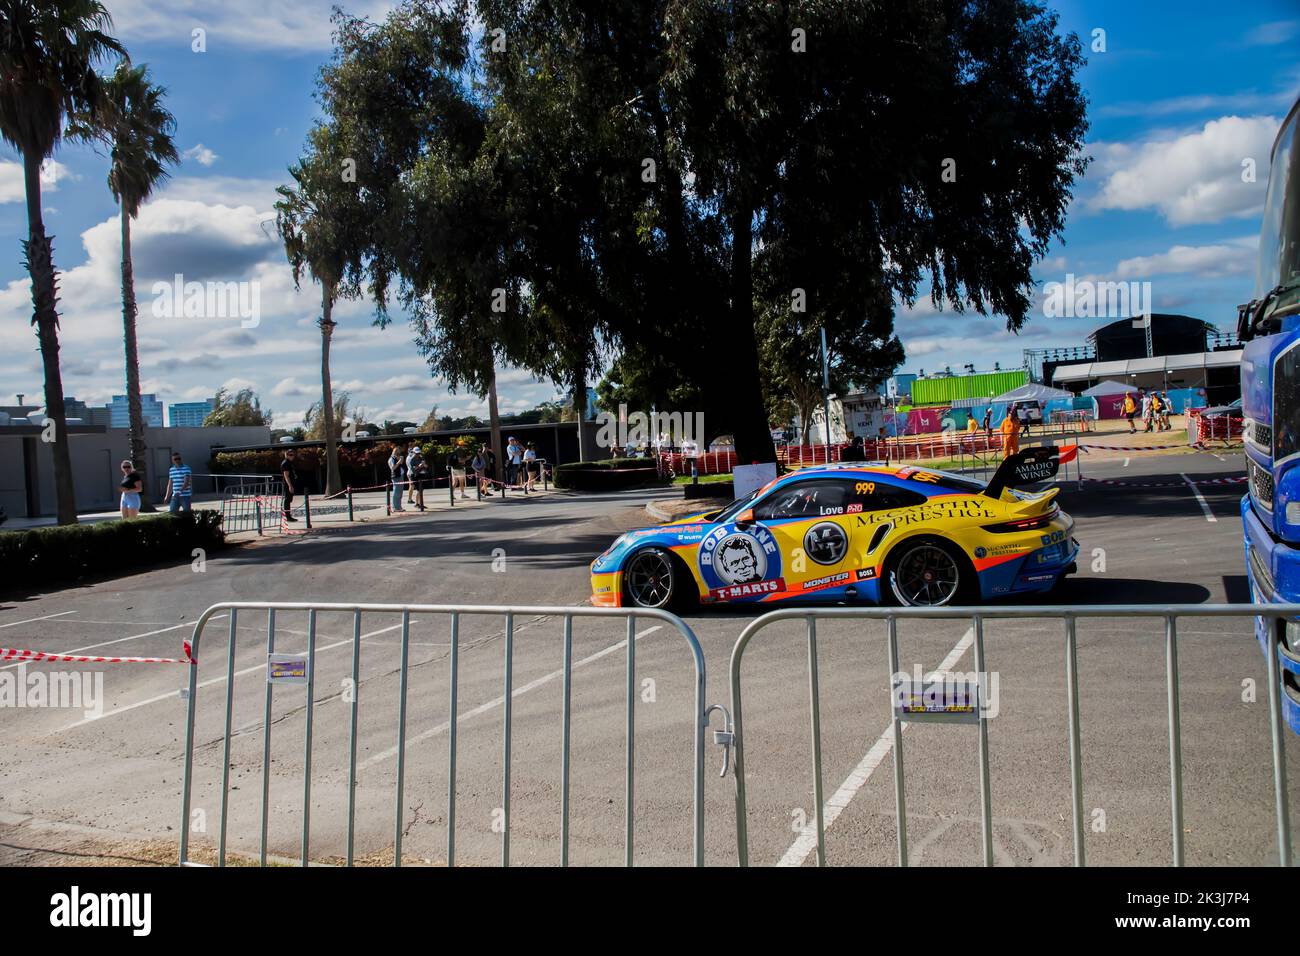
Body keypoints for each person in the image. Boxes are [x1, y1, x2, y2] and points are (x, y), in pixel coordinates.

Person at [280, 447, 299, 522]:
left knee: (289, 500)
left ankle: (289, 516)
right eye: (290, 455)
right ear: (286, 455)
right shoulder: (286, 463)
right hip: (287, 484)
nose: (292, 456)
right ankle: (288, 517)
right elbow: (286, 475)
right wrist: (290, 486)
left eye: (293, 455)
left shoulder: (289, 463)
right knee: (287, 500)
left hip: (291, 483)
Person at [388, 444, 406, 512]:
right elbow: (393, 468)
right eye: (397, 452)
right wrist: (399, 462)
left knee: (400, 492)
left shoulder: (396, 458)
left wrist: (401, 459)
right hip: (396, 477)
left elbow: (401, 463)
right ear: (394, 452)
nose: (398, 453)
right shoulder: (391, 459)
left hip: (400, 476)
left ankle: (399, 507)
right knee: (396, 492)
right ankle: (394, 507)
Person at [410, 446, 428, 510]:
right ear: (414, 453)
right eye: (417, 453)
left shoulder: (421, 458)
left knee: (421, 490)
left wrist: (424, 465)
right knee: (419, 490)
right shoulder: (412, 459)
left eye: (419, 453)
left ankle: (420, 503)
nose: (418, 454)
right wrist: (420, 466)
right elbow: (413, 469)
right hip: (414, 475)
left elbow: (426, 466)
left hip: (421, 475)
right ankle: (417, 504)